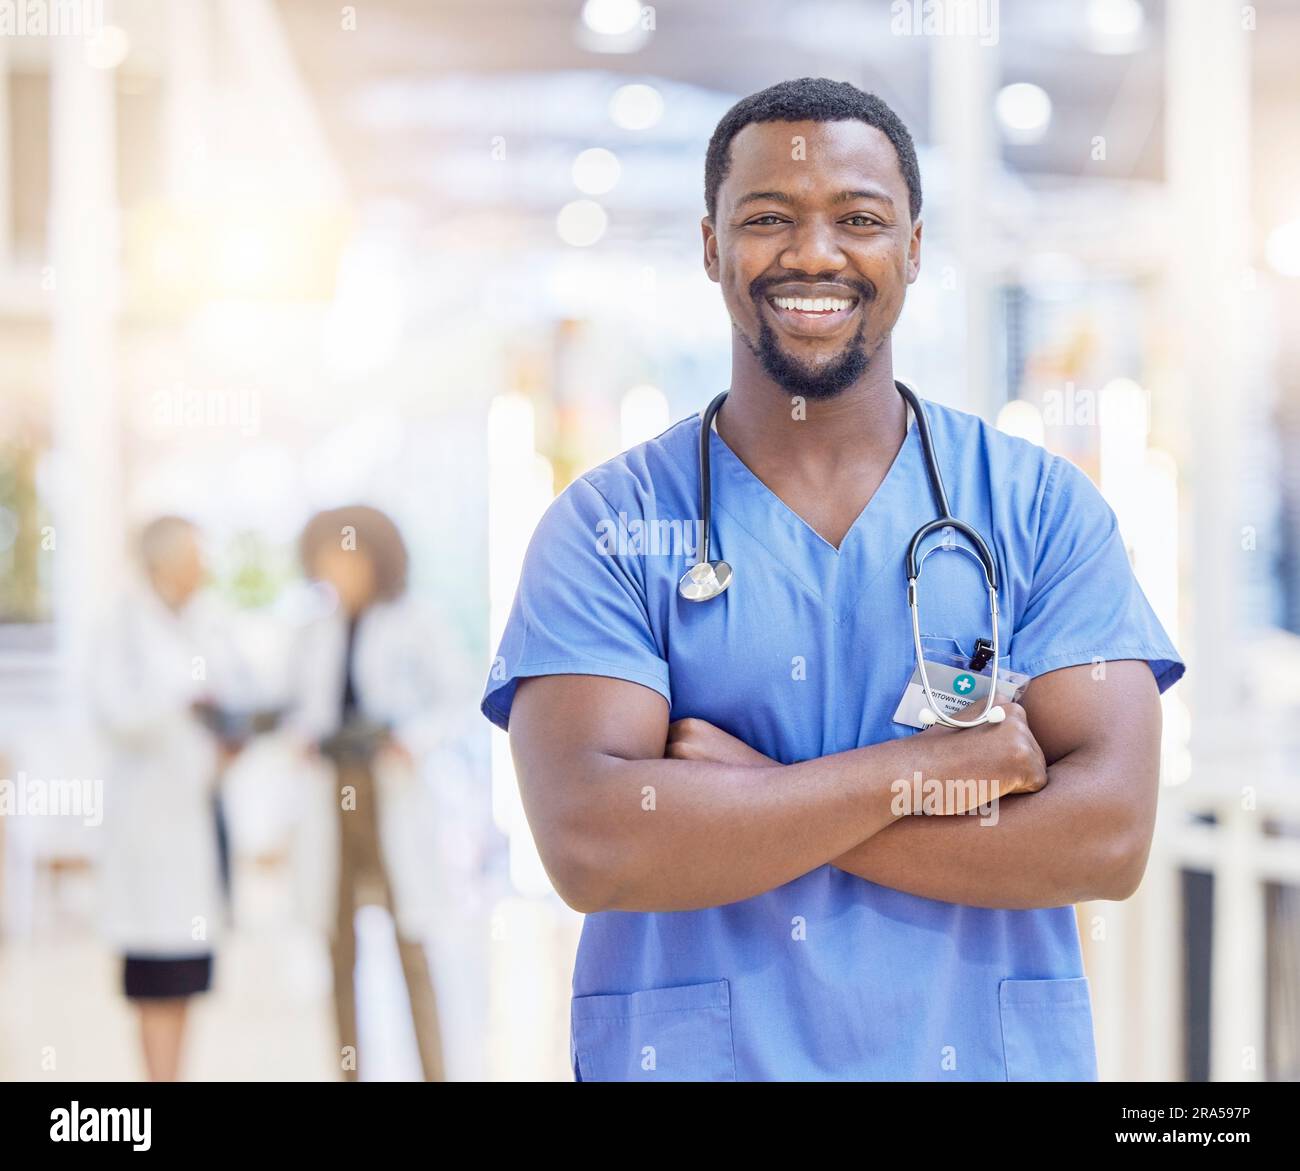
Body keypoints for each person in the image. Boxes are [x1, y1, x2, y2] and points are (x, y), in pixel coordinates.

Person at [482, 78, 1187, 1081]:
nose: (814, 253)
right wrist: (928, 778)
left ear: (911, 246)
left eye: (858, 219)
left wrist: (752, 803)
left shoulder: (1039, 509)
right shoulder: (609, 526)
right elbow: (596, 846)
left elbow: (1106, 836)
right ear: (710, 246)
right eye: (767, 219)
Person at [290, 505, 450, 1082]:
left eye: (346, 554)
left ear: (375, 558)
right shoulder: (312, 630)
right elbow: (295, 708)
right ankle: (348, 1071)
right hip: (331, 789)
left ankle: (436, 1071)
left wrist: (411, 738)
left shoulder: (415, 621)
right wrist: (302, 738)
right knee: (337, 945)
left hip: (389, 786)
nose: (335, 568)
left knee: (412, 941)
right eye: (326, 557)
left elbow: (451, 701)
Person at [92, 516, 241, 1081]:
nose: (203, 567)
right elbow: (115, 713)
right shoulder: (121, 626)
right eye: (194, 556)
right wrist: (182, 698)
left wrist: (226, 735)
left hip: (194, 821)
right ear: (164, 562)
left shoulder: (201, 623)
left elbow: (224, 692)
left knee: (184, 974)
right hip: (146, 830)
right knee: (154, 977)